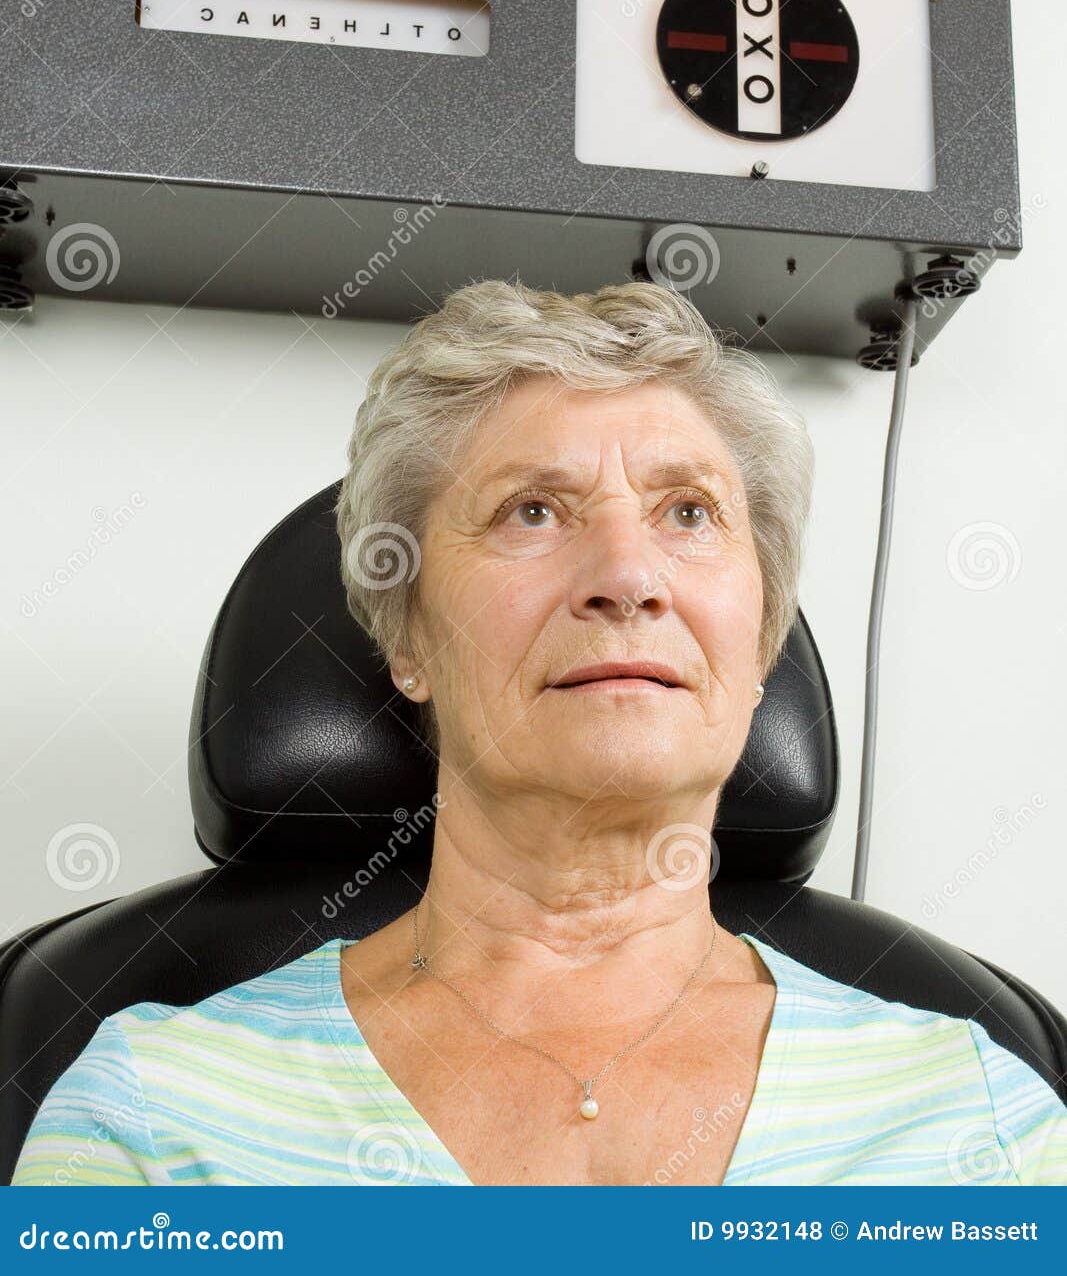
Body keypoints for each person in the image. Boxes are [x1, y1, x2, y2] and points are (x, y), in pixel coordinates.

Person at [11, 279, 1067, 1185]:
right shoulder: (152, 1113)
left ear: (757, 643)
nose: (626, 576)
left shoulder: (980, 1120)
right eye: (531, 510)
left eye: (687, 512)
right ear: (408, 634)